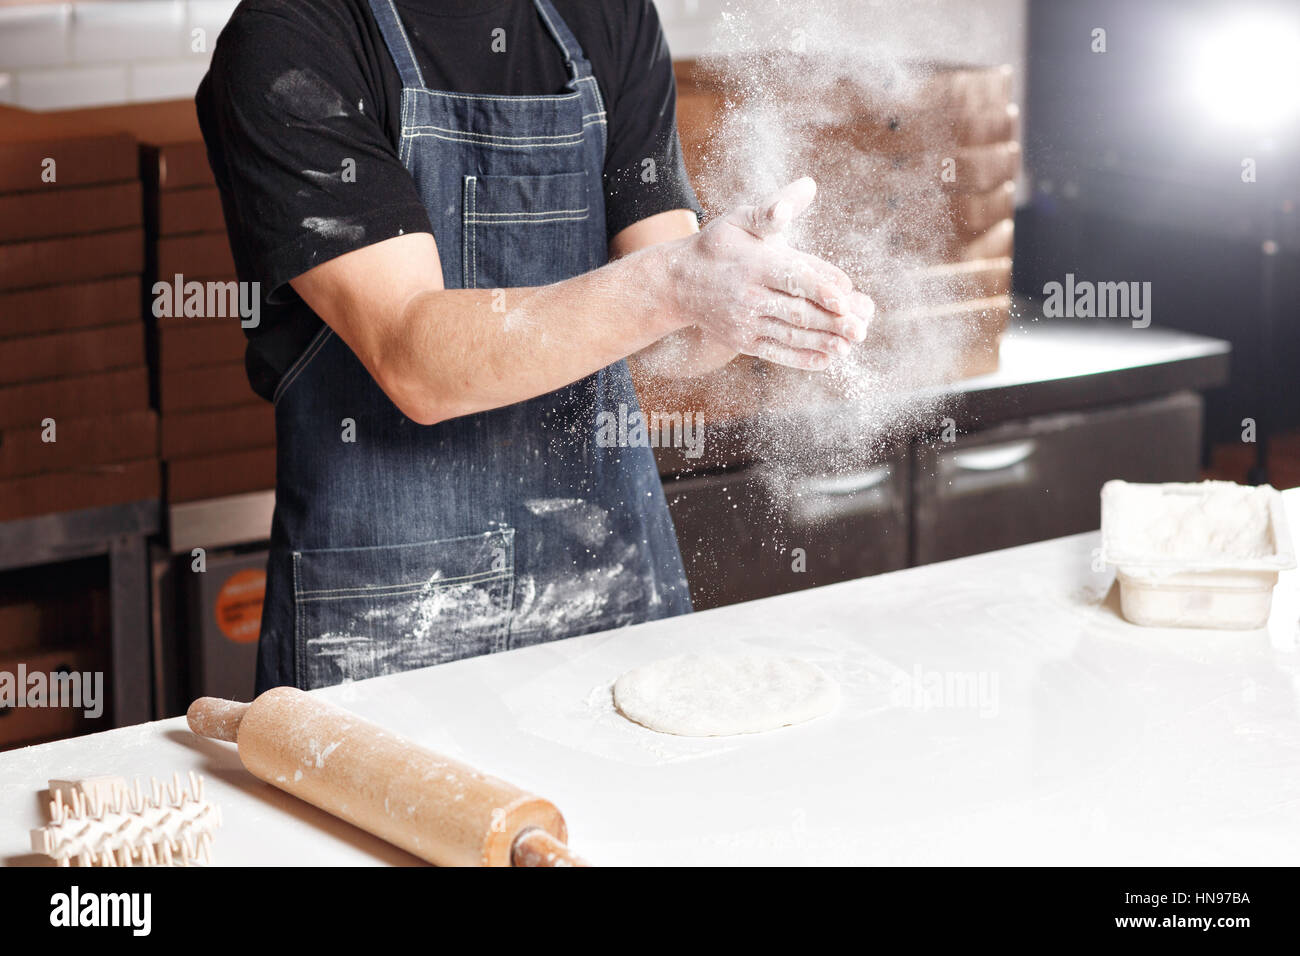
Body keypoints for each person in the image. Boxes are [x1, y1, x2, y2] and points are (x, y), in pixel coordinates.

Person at [197, 0, 873, 693]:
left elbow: (667, 336)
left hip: (608, 587)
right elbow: (414, 360)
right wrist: (677, 283)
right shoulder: (291, 39)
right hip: (387, 624)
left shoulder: (607, 14)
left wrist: (740, 293)